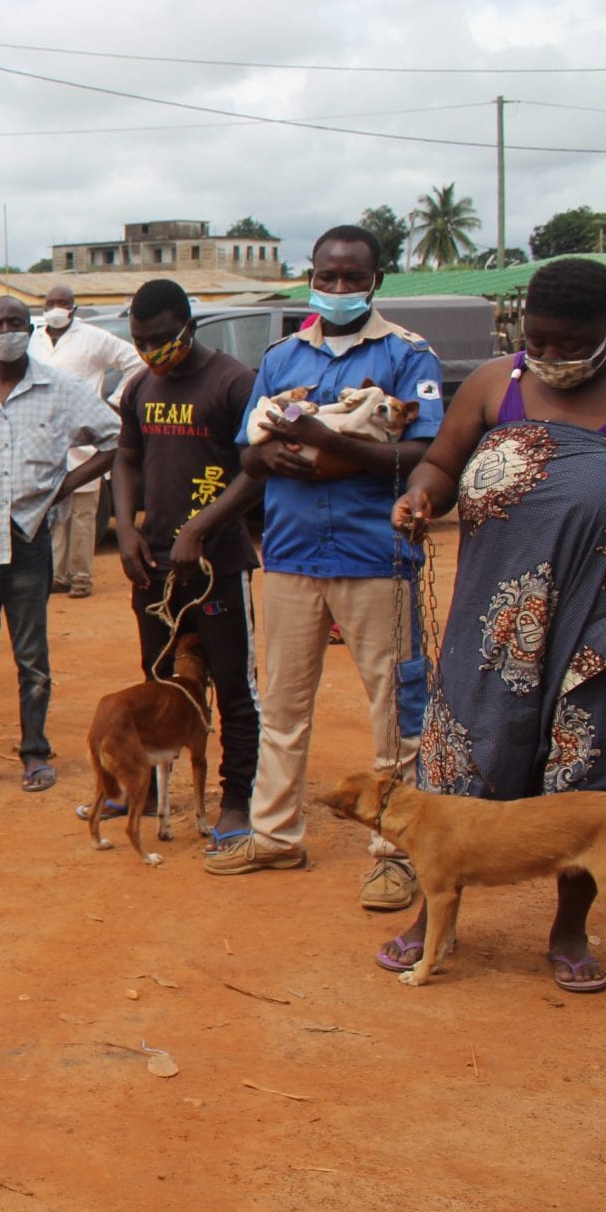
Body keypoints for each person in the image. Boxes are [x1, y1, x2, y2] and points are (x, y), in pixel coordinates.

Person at [380, 257, 606, 992]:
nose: (551, 357)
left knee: (587, 773)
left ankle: (569, 926)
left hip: (598, 625)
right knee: (463, 762)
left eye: (571, 345)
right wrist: (421, 497)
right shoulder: (493, 383)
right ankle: (433, 916)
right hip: (493, 622)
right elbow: (441, 465)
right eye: (537, 341)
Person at [205, 225, 443, 897]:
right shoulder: (281, 357)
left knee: (396, 709)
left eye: (352, 277)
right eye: (327, 276)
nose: (339, 288)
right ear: (310, 276)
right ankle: (276, 836)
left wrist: (323, 440)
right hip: (289, 554)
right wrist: (272, 455)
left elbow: (423, 454)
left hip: (376, 555)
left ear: (376, 281)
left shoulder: (408, 355)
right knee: (282, 706)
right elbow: (247, 450)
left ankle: (397, 853)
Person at [0, 295, 121, 794]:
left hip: (28, 540)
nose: (6, 330)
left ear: (29, 330)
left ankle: (35, 753)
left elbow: (114, 440)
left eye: (15, 322)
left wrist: (66, 485)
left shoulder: (59, 389)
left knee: (32, 658)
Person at [108, 279, 262, 847]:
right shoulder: (140, 386)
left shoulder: (233, 382)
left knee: (233, 685)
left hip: (217, 566)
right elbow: (126, 458)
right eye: (141, 341)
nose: (152, 350)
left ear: (189, 326)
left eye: (161, 338)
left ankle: (238, 799)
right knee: (159, 683)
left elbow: (257, 468)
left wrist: (199, 529)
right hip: (155, 568)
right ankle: (147, 792)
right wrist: (127, 529)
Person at [31, 284, 144, 599]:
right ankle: (58, 575)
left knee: (83, 513)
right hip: (45, 439)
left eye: (63, 302)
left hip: (84, 440)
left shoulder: (93, 338)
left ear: (73, 307)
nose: (56, 307)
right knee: (54, 514)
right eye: (50, 302)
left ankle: (81, 577)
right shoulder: (34, 340)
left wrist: (114, 402)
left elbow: (135, 362)